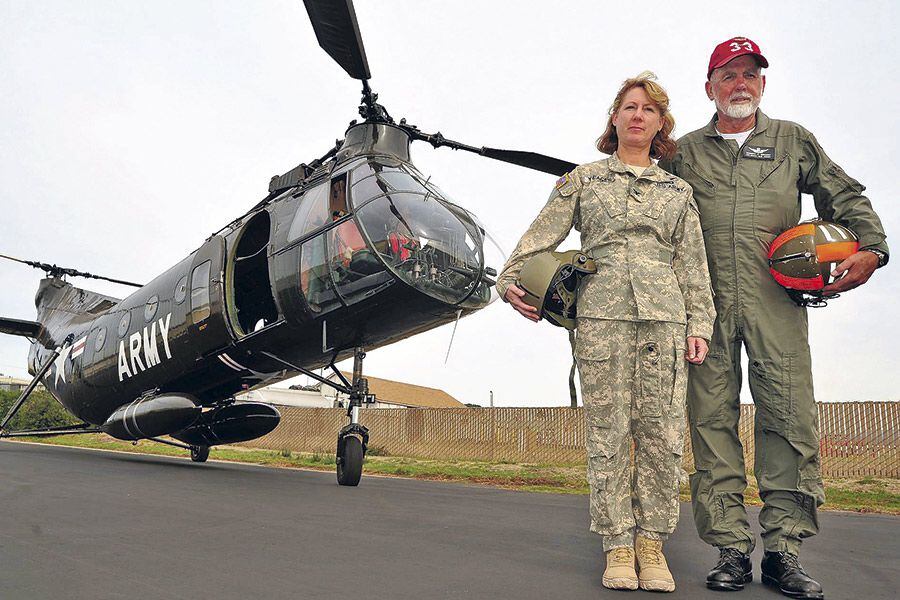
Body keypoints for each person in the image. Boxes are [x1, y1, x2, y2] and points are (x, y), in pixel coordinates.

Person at [659, 37, 889, 599]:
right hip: (703, 310)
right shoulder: (684, 153)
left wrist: (873, 249)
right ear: (709, 87)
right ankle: (731, 550)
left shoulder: (793, 142)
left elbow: (846, 198)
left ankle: (784, 551)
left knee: (787, 420)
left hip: (776, 304)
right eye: (729, 74)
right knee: (712, 425)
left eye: (751, 75)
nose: (741, 84)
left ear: (763, 84)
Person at [496, 72, 715, 592]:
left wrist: (699, 323)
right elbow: (538, 237)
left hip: (665, 323)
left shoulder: (678, 193)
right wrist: (510, 281)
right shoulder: (583, 181)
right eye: (630, 106)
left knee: (662, 437)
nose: (638, 115)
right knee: (608, 436)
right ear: (614, 118)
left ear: (661, 124)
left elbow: (692, 265)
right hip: (601, 323)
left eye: (649, 110)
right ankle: (618, 544)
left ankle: (652, 545)